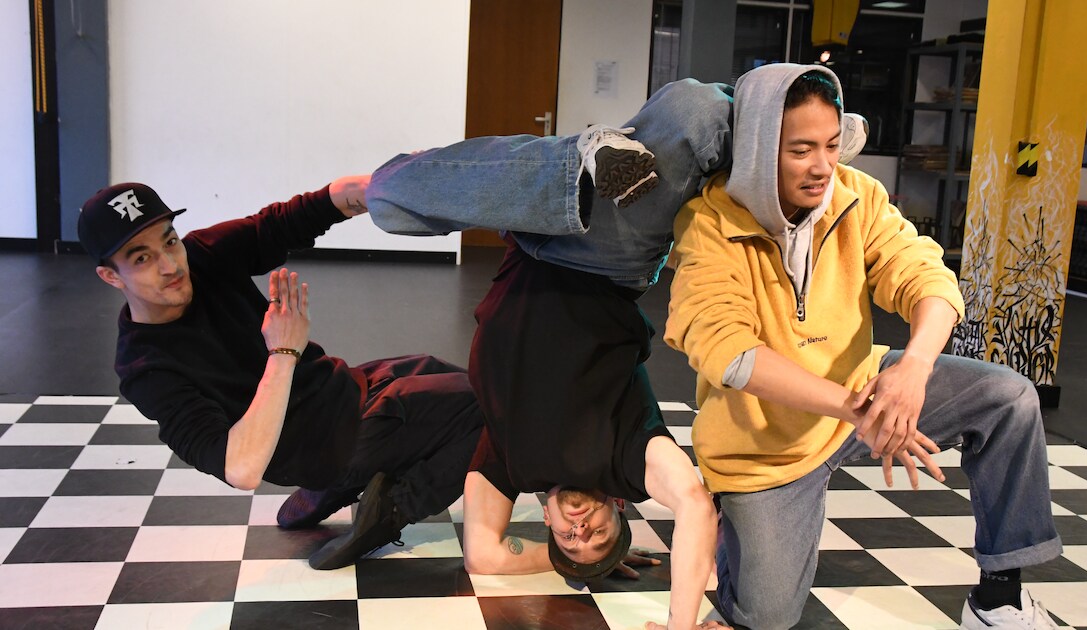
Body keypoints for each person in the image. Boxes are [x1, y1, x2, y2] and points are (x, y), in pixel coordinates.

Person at [361, 79, 869, 630]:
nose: (579, 528)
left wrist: (568, 564)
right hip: (602, 257)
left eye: (566, 538)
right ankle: (796, 131)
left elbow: (484, 557)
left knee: (388, 199)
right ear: (617, 507)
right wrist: (678, 622)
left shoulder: (510, 460)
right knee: (694, 114)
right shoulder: (629, 460)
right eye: (597, 533)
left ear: (547, 520)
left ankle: (602, 151)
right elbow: (696, 509)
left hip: (531, 232)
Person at [662, 64, 1063, 629]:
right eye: (801, 150)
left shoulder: (857, 197)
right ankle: (737, 546)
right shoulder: (709, 225)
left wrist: (914, 370)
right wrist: (861, 410)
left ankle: (999, 597)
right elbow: (726, 351)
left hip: (862, 388)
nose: (823, 166)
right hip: (764, 447)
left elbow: (926, 276)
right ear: (757, 149)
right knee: (767, 617)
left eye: (830, 145)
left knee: (1010, 398)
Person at [77, 179, 485, 571]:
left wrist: (364, 190)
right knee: (490, 407)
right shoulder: (146, 368)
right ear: (111, 276)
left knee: (439, 370)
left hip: (345, 391)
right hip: (323, 445)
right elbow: (240, 469)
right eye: (142, 258)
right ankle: (390, 508)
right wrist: (283, 352)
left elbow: (282, 222)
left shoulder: (200, 256)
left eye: (169, 240)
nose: (169, 264)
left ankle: (331, 490)